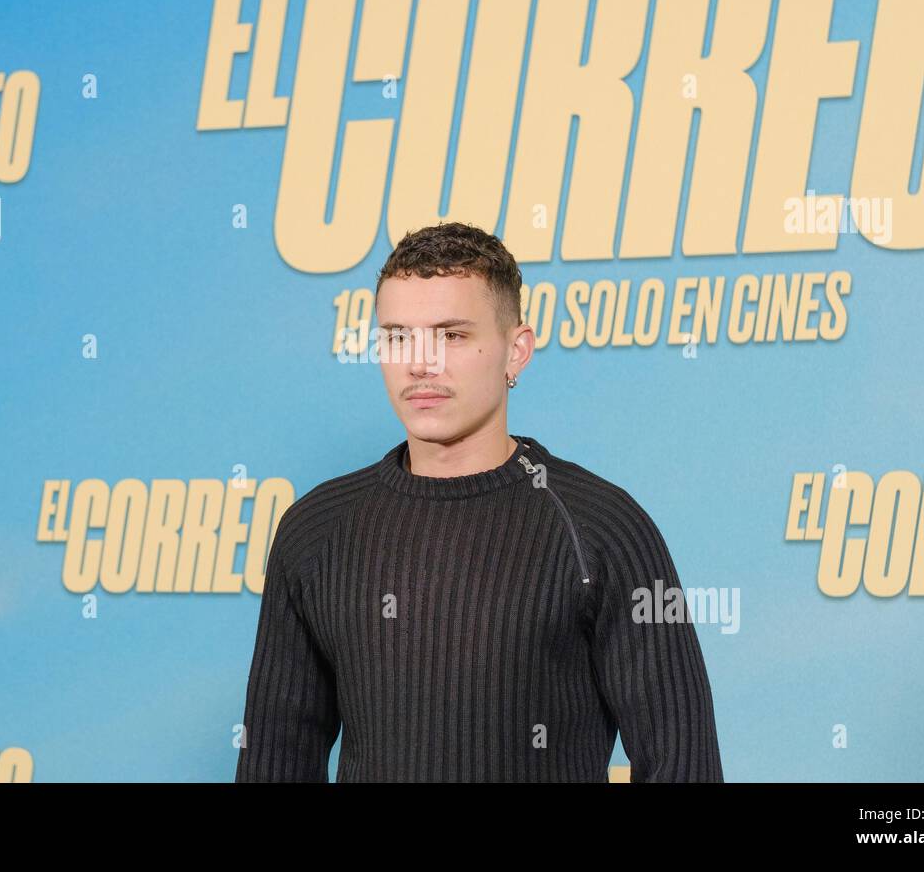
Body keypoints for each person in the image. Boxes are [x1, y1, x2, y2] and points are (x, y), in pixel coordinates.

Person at [234, 221, 723, 782]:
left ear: (516, 352)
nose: (421, 363)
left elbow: (683, 763)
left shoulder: (600, 530)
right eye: (397, 336)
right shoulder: (316, 530)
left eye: (451, 336)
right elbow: (276, 757)